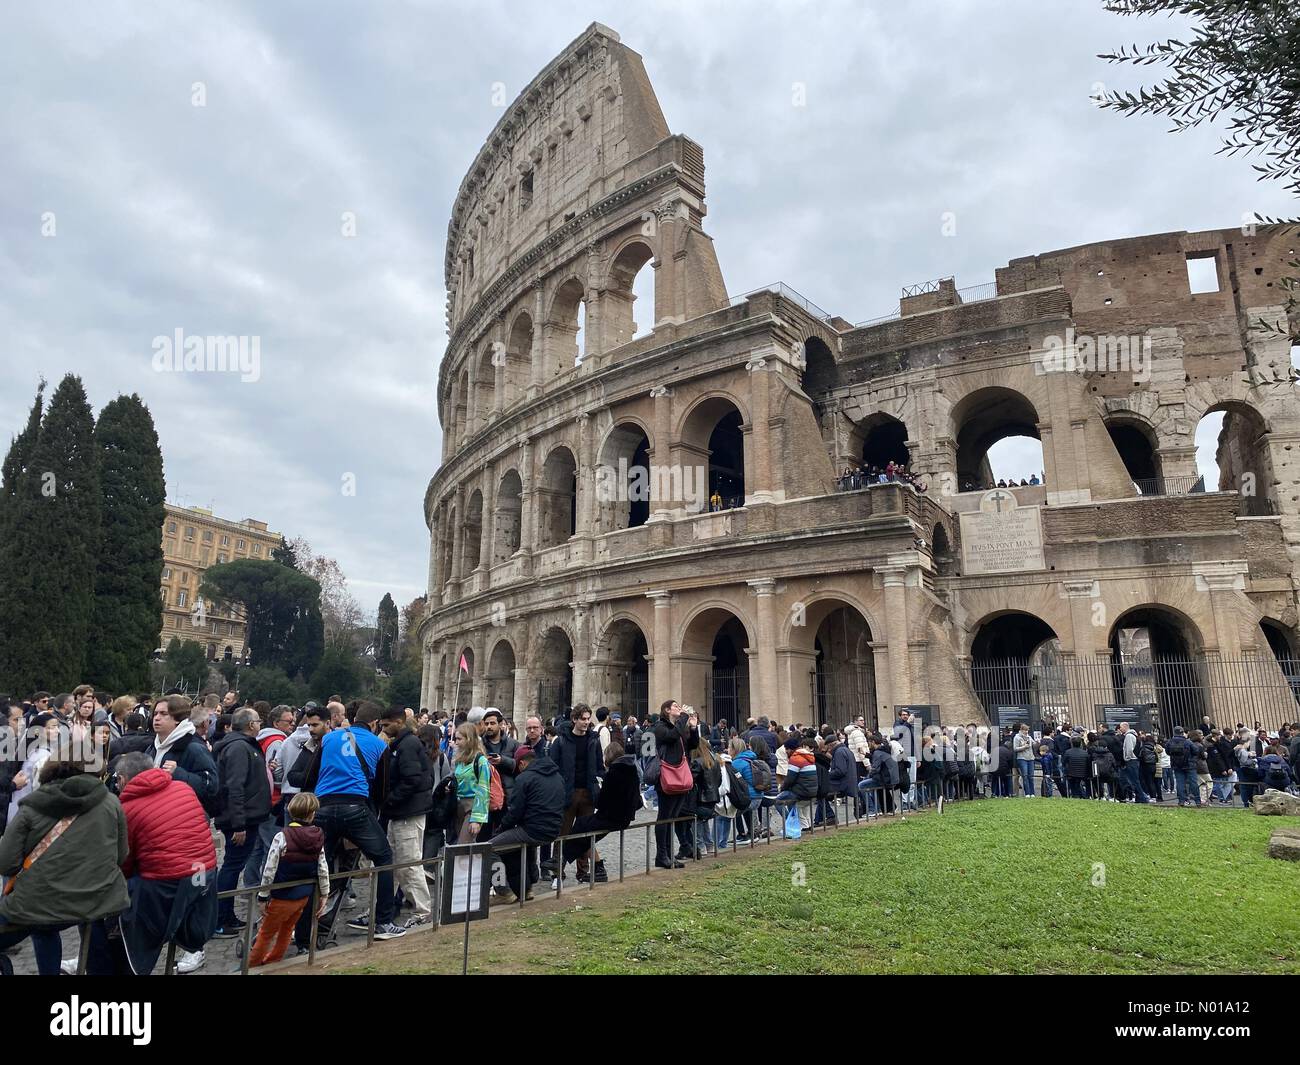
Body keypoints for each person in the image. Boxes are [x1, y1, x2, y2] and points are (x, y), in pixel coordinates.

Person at [0, 754, 129, 977]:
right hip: (96, 900)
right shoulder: (111, 802)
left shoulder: (33, 806)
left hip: (38, 903)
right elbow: (120, 855)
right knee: (44, 926)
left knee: (41, 921)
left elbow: (6, 863)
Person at [294, 700, 407, 941]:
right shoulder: (378, 745)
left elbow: (309, 776)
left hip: (323, 807)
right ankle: (384, 921)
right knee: (383, 857)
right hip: (355, 806)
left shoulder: (329, 738)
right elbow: (382, 789)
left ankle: (302, 926)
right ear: (375, 723)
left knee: (315, 863)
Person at [114, 751, 218, 975]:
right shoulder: (183, 788)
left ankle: (133, 966)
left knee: (122, 909)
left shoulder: (127, 809)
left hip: (169, 884)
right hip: (203, 874)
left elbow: (125, 860)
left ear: (122, 780)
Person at [210, 707, 272, 938]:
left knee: (234, 865)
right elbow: (235, 786)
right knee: (232, 866)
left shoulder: (243, 745)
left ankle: (226, 915)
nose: (259, 724)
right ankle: (218, 917)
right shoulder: (238, 747)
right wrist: (239, 824)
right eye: (257, 720)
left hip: (247, 816)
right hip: (239, 820)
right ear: (249, 725)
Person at [250, 792, 330, 968]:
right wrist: (324, 893)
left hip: (282, 895)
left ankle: (253, 965)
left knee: (266, 933)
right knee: (287, 929)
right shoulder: (318, 836)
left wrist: (263, 896)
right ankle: (274, 958)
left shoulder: (282, 836)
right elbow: (322, 868)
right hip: (304, 895)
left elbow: (269, 869)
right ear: (312, 814)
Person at [376, 706, 434, 928]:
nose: (383, 728)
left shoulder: (407, 746)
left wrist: (390, 799)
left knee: (410, 863)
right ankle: (384, 908)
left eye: (386, 724)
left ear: (399, 722)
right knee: (394, 863)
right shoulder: (402, 744)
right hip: (400, 812)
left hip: (407, 812)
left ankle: (423, 911)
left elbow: (412, 779)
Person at [490, 745, 563, 902]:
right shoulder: (557, 775)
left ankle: (504, 891)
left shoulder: (525, 778)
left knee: (489, 848)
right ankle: (528, 888)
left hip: (534, 830)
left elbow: (515, 812)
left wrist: (501, 829)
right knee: (526, 844)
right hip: (554, 828)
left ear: (522, 763)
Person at [549, 704, 606, 882]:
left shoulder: (593, 740)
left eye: (588, 719)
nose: (586, 722)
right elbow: (553, 766)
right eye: (583, 719)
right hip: (568, 792)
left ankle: (583, 872)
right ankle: (557, 872)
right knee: (563, 832)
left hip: (588, 792)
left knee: (584, 832)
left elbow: (599, 767)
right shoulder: (561, 741)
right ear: (574, 719)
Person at [146, 695, 218, 811]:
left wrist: (178, 773)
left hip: (184, 816)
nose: (157, 718)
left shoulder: (194, 747)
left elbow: (211, 786)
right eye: (155, 714)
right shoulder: (153, 746)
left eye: (164, 714)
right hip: (156, 813)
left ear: (178, 719)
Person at [651, 700, 695, 868]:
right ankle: (661, 855)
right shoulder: (660, 727)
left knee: (672, 817)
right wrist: (683, 718)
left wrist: (692, 727)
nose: (679, 708)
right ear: (667, 710)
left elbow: (693, 745)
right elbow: (671, 737)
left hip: (680, 775)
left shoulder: (678, 727)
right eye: (675, 706)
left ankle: (669, 854)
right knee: (664, 817)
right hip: (666, 777)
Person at [451, 721, 491, 844]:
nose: (456, 742)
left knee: (462, 847)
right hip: (458, 807)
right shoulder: (459, 759)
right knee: (465, 849)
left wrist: (477, 820)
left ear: (468, 739)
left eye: (459, 739)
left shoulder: (481, 761)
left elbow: (484, 790)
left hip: (473, 807)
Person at [1164, 725, 1201, 807]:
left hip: (1176, 765)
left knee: (1180, 783)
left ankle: (1181, 801)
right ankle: (1197, 801)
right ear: (1182, 733)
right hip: (1189, 765)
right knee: (1193, 783)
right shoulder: (1187, 742)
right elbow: (1196, 750)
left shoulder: (1170, 742)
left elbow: (1167, 752)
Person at [1117, 722, 1150, 803]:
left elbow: (1129, 749)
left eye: (1121, 727)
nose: (1120, 729)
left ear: (1125, 727)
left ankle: (1142, 797)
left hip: (1131, 760)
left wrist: (1127, 758)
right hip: (1134, 760)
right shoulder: (1134, 735)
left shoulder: (1128, 736)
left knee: (1133, 780)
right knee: (1134, 780)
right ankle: (1140, 797)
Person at [1012, 724, 1035, 798]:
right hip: (1022, 758)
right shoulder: (1017, 737)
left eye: (1027, 730)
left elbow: (1033, 744)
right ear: (1021, 730)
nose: (1026, 731)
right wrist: (1024, 747)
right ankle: (1027, 793)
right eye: (1025, 730)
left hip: (1030, 758)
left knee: (1031, 776)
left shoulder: (1029, 737)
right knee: (1025, 776)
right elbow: (1015, 748)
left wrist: (1036, 743)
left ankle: (1032, 793)